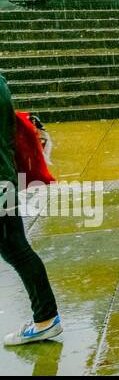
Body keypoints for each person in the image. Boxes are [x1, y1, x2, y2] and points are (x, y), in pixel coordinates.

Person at [0, 76, 62, 345]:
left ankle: (46, 319)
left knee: (17, 250)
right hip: (5, 178)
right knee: (17, 247)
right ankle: (46, 318)